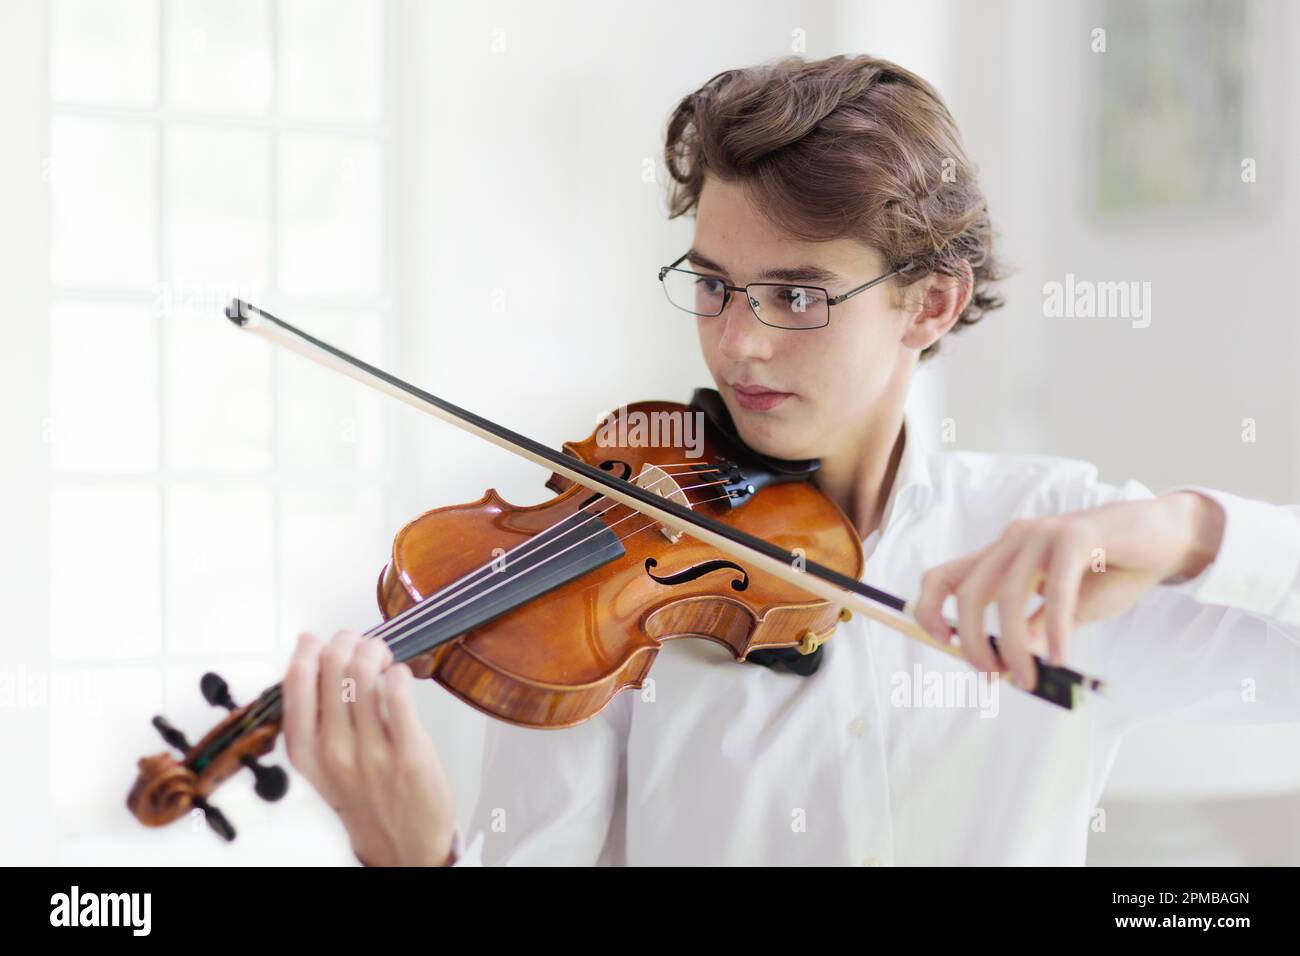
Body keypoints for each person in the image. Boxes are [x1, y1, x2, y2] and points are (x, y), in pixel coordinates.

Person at [280, 54, 1300, 866]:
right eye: (714, 284)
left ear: (931, 301)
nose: (739, 344)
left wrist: (1188, 527)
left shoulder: (1049, 543)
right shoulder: (602, 586)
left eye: (798, 296)